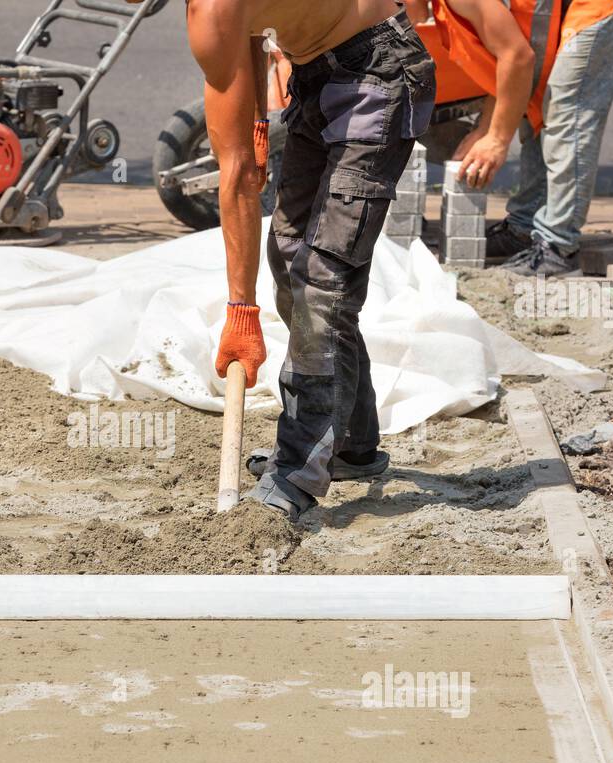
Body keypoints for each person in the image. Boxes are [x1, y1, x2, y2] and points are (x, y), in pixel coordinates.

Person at [152, 0, 436, 521]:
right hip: (316, 76)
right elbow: (255, 40)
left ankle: (298, 470)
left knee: (322, 279)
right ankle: (351, 444)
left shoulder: (211, 11)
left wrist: (241, 314)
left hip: (378, 71)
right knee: (288, 257)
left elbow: (234, 174)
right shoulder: (218, 16)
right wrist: (257, 125)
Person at [486, 0, 613, 275]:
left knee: (569, 108)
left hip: (604, 5)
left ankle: (558, 246)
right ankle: (524, 226)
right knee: (539, 94)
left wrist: (495, 136)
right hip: (558, 6)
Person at [405, 0, 539, 191]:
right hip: (545, 43)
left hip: (582, 22)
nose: (397, 23)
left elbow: (518, 57)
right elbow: (503, 68)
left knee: (558, 146)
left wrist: (496, 139)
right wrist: (485, 128)